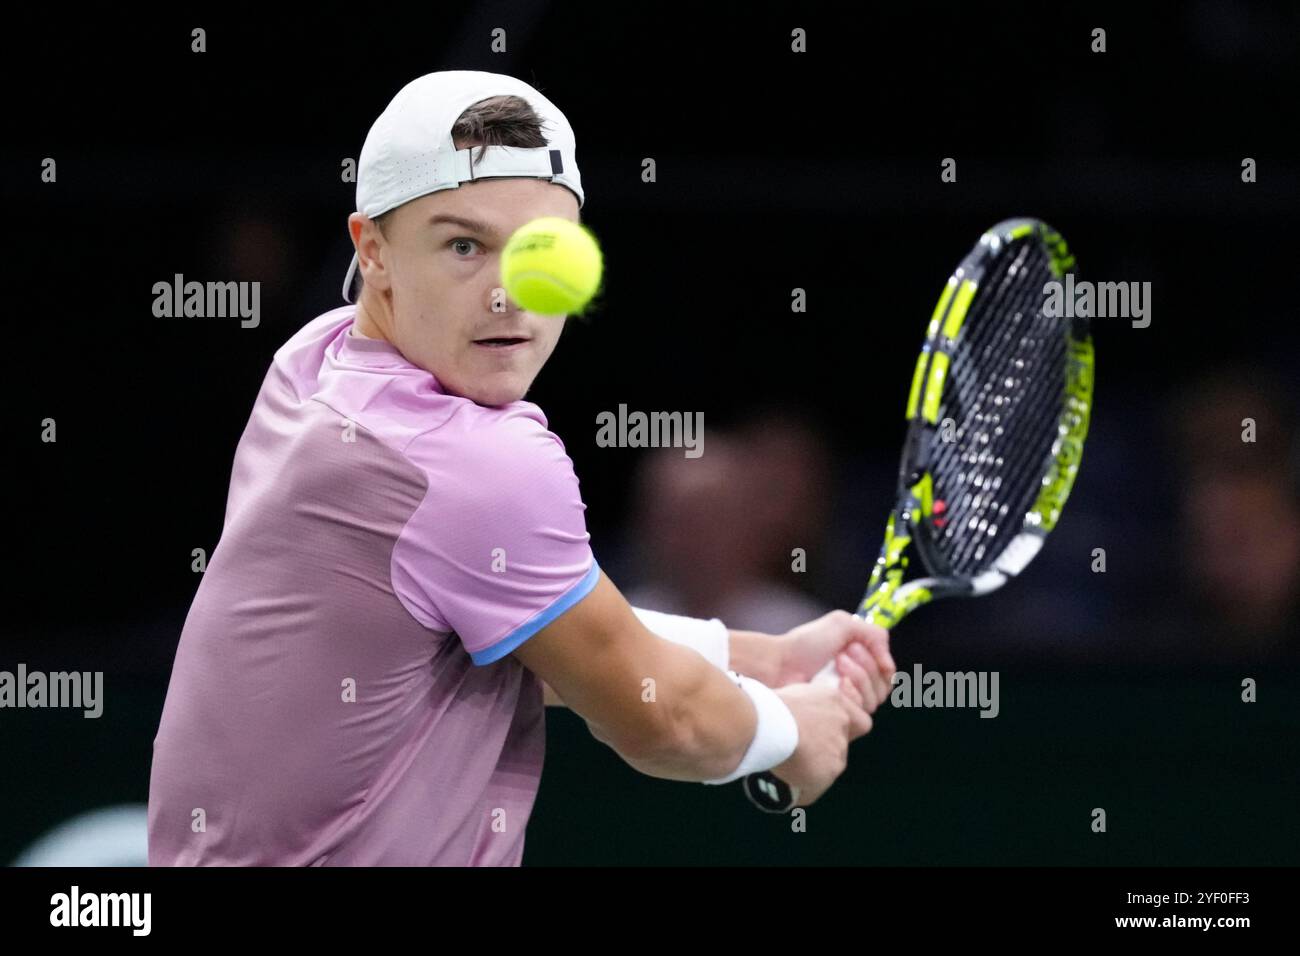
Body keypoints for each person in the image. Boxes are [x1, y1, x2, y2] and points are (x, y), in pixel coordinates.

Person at [147, 70, 894, 866]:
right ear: (374, 252)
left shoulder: (314, 364)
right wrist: (790, 735)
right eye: (463, 245)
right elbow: (659, 718)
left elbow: (521, 629)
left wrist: (758, 657)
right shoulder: (474, 464)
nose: (509, 295)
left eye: (539, 248)